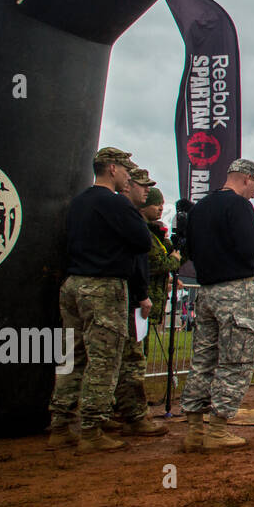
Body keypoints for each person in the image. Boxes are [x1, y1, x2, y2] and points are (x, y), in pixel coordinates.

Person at [46, 147, 153, 453]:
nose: (128, 176)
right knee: (104, 358)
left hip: (73, 284)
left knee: (72, 357)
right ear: (111, 169)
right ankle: (91, 428)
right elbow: (142, 241)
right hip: (103, 286)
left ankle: (61, 422)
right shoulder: (116, 203)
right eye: (125, 170)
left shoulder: (79, 201)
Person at [180, 158, 254, 451]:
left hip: (206, 291)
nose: (253, 194)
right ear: (246, 179)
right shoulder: (239, 206)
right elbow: (250, 247)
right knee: (236, 360)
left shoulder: (200, 207)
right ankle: (218, 429)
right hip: (235, 291)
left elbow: (189, 250)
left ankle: (194, 429)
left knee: (203, 361)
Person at [106, 168, 169, 437]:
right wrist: (142, 294)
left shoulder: (122, 213)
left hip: (125, 294)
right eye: (142, 187)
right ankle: (131, 414)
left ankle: (108, 411)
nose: (145, 192)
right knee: (130, 360)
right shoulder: (127, 215)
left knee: (118, 359)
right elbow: (143, 258)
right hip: (127, 297)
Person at [139, 187, 180, 356]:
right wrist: (174, 260)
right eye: (156, 204)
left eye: (162, 204)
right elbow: (156, 264)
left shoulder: (154, 234)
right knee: (137, 354)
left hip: (149, 302)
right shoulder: (144, 232)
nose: (161, 208)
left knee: (142, 353)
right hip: (142, 300)